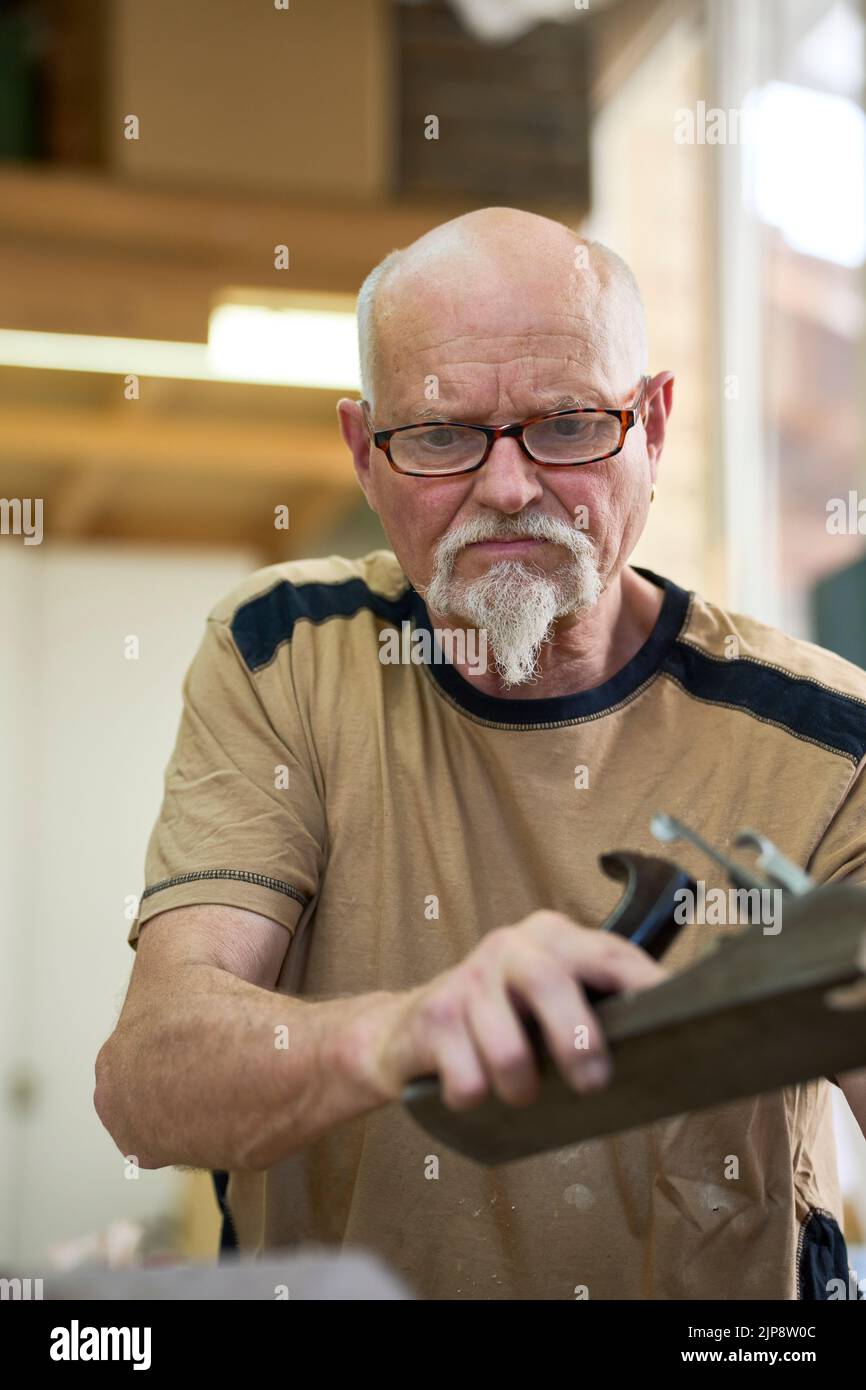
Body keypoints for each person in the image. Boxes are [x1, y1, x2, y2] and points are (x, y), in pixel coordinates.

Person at [95, 207, 866, 1300]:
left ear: (651, 425)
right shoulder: (281, 659)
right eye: (444, 435)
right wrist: (403, 1032)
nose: (507, 489)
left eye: (564, 425)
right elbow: (146, 1085)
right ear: (364, 453)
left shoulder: (825, 740)